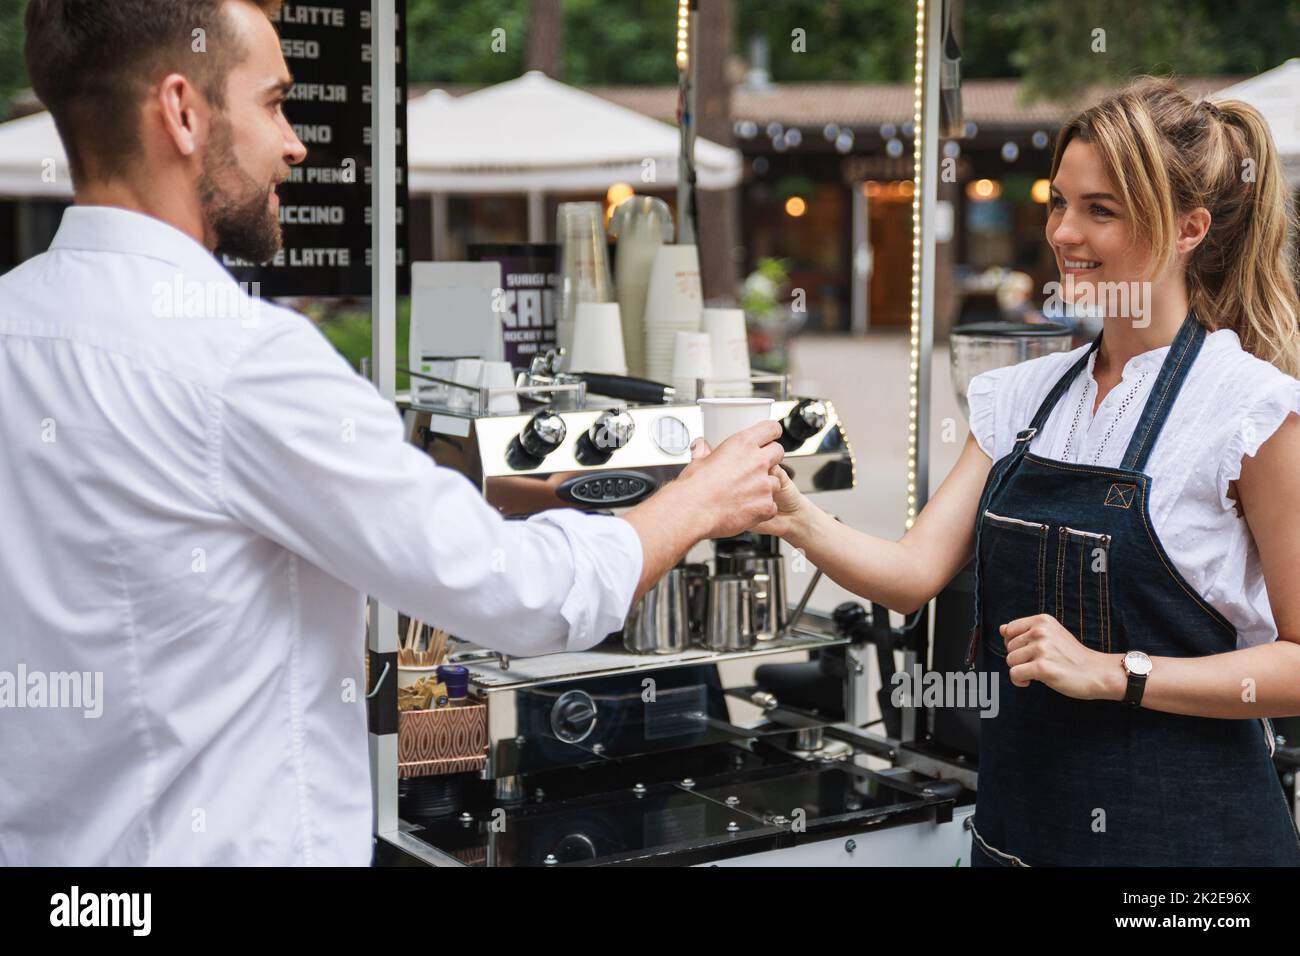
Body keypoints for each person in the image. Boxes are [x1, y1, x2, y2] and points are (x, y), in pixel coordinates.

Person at [0, 0, 783, 865]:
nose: (294, 144)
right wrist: (696, 501)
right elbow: (518, 593)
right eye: (272, 103)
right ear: (183, 112)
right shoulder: (243, 363)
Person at [741, 78, 1300, 866]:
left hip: (1190, 853)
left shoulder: (1250, 410)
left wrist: (1118, 674)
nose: (1065, 233)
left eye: (1101, 210)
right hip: (1017, 839)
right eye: (1057, 202)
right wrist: (792, 514)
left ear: (1188, 229)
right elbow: (909, 576)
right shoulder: (1023, 397)